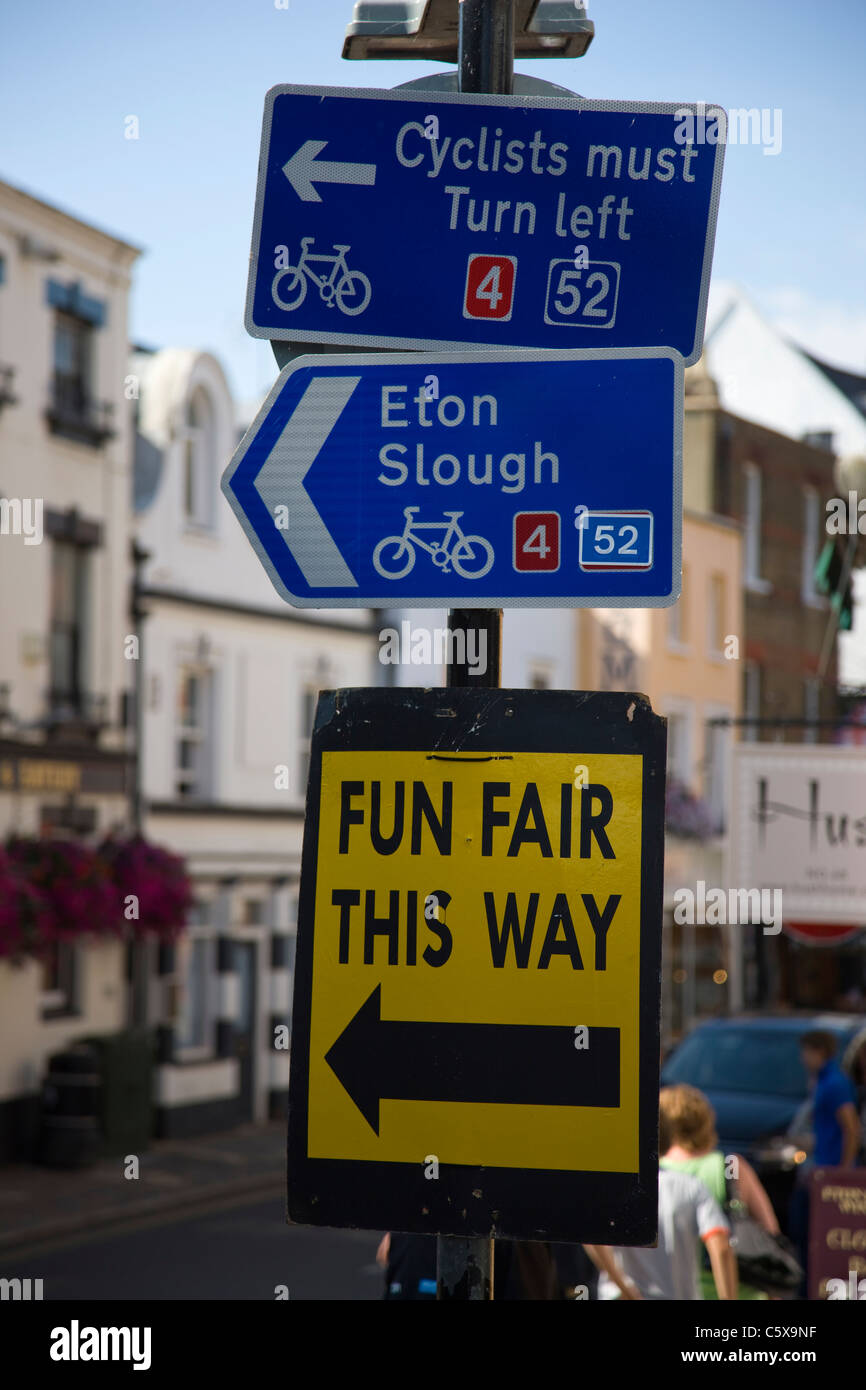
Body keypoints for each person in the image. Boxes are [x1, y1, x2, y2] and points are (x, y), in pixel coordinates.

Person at [584, 1099, 737, 1301]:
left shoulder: (610, 1187)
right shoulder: (691, 1187)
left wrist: (624, 1288)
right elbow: (721, 1246)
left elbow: (591, 1238)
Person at [658, 1083, 779, 1300]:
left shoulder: (656, 1173)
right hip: (740, 1292)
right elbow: (770, 1232)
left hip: (672, 1290)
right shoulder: (731, 1166)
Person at [790, 1030, 863, 1296]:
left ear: (819, 1051)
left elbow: (851, 1128)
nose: (803, 1058)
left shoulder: (834, 1083)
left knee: (813, 1236)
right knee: (804, 1234)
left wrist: (843, 1170)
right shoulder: (821, 1081)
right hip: (818, 1168)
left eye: (806, 1052)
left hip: (827, 1174)